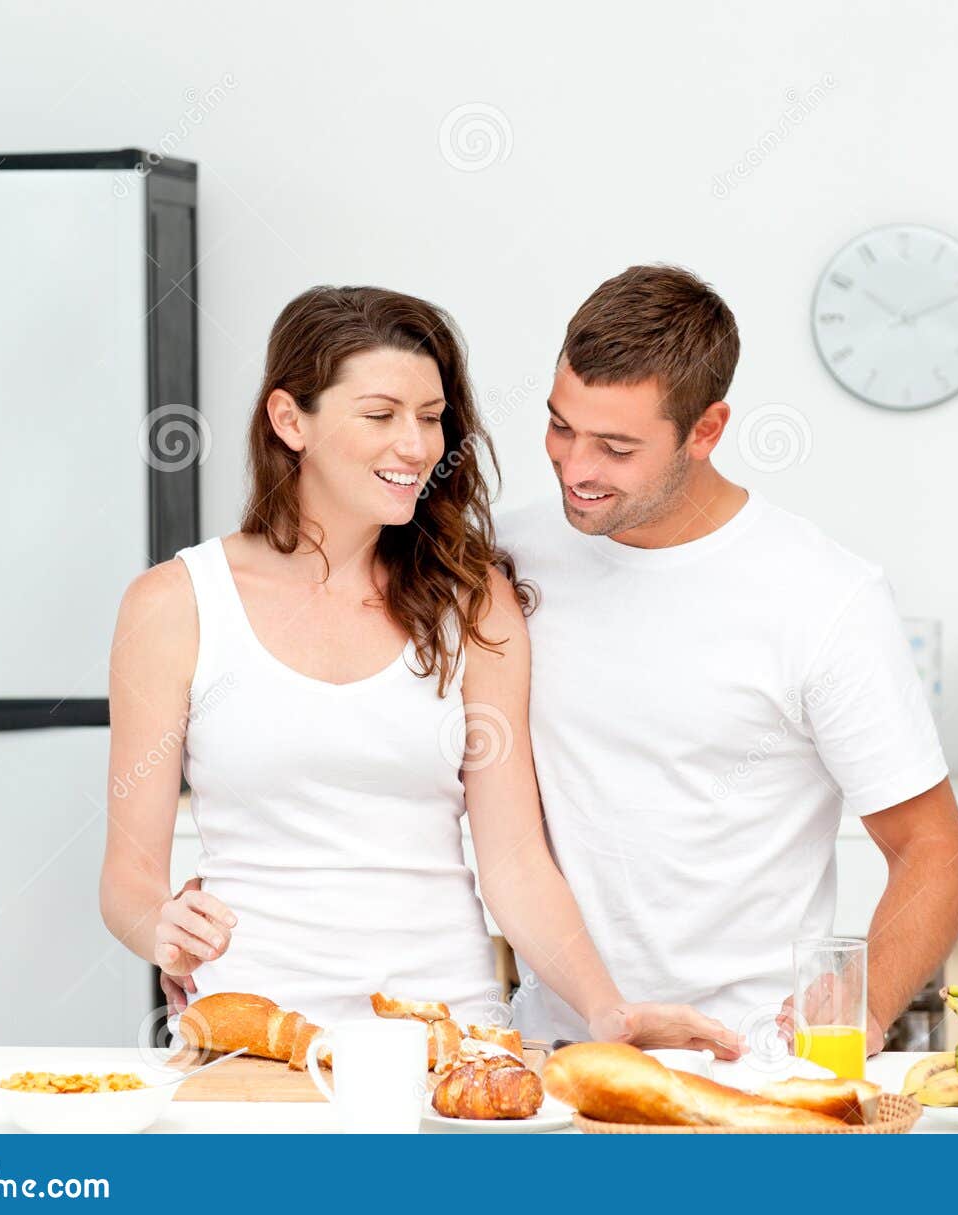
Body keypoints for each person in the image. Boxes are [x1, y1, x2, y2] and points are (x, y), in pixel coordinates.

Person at [100, 285, 739, 1054]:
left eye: (432, 418)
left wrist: (608, 1013)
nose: (416, 446)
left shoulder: (473, 602)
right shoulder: (174, 604)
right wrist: (160, 927)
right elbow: (128, 878)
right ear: (289, 420)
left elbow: (514, 862)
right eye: (380, 415)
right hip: (247, 1033)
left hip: (444, 1034)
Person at [499, 264, 958, 1053]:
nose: (576, 468)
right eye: (560, 427)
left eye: (616, 447)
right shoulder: (508, 558)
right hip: (555, 1055)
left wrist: (866, 1005)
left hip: (750, 1061)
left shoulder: (823, 598)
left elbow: (934, 853)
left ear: (706, 430)